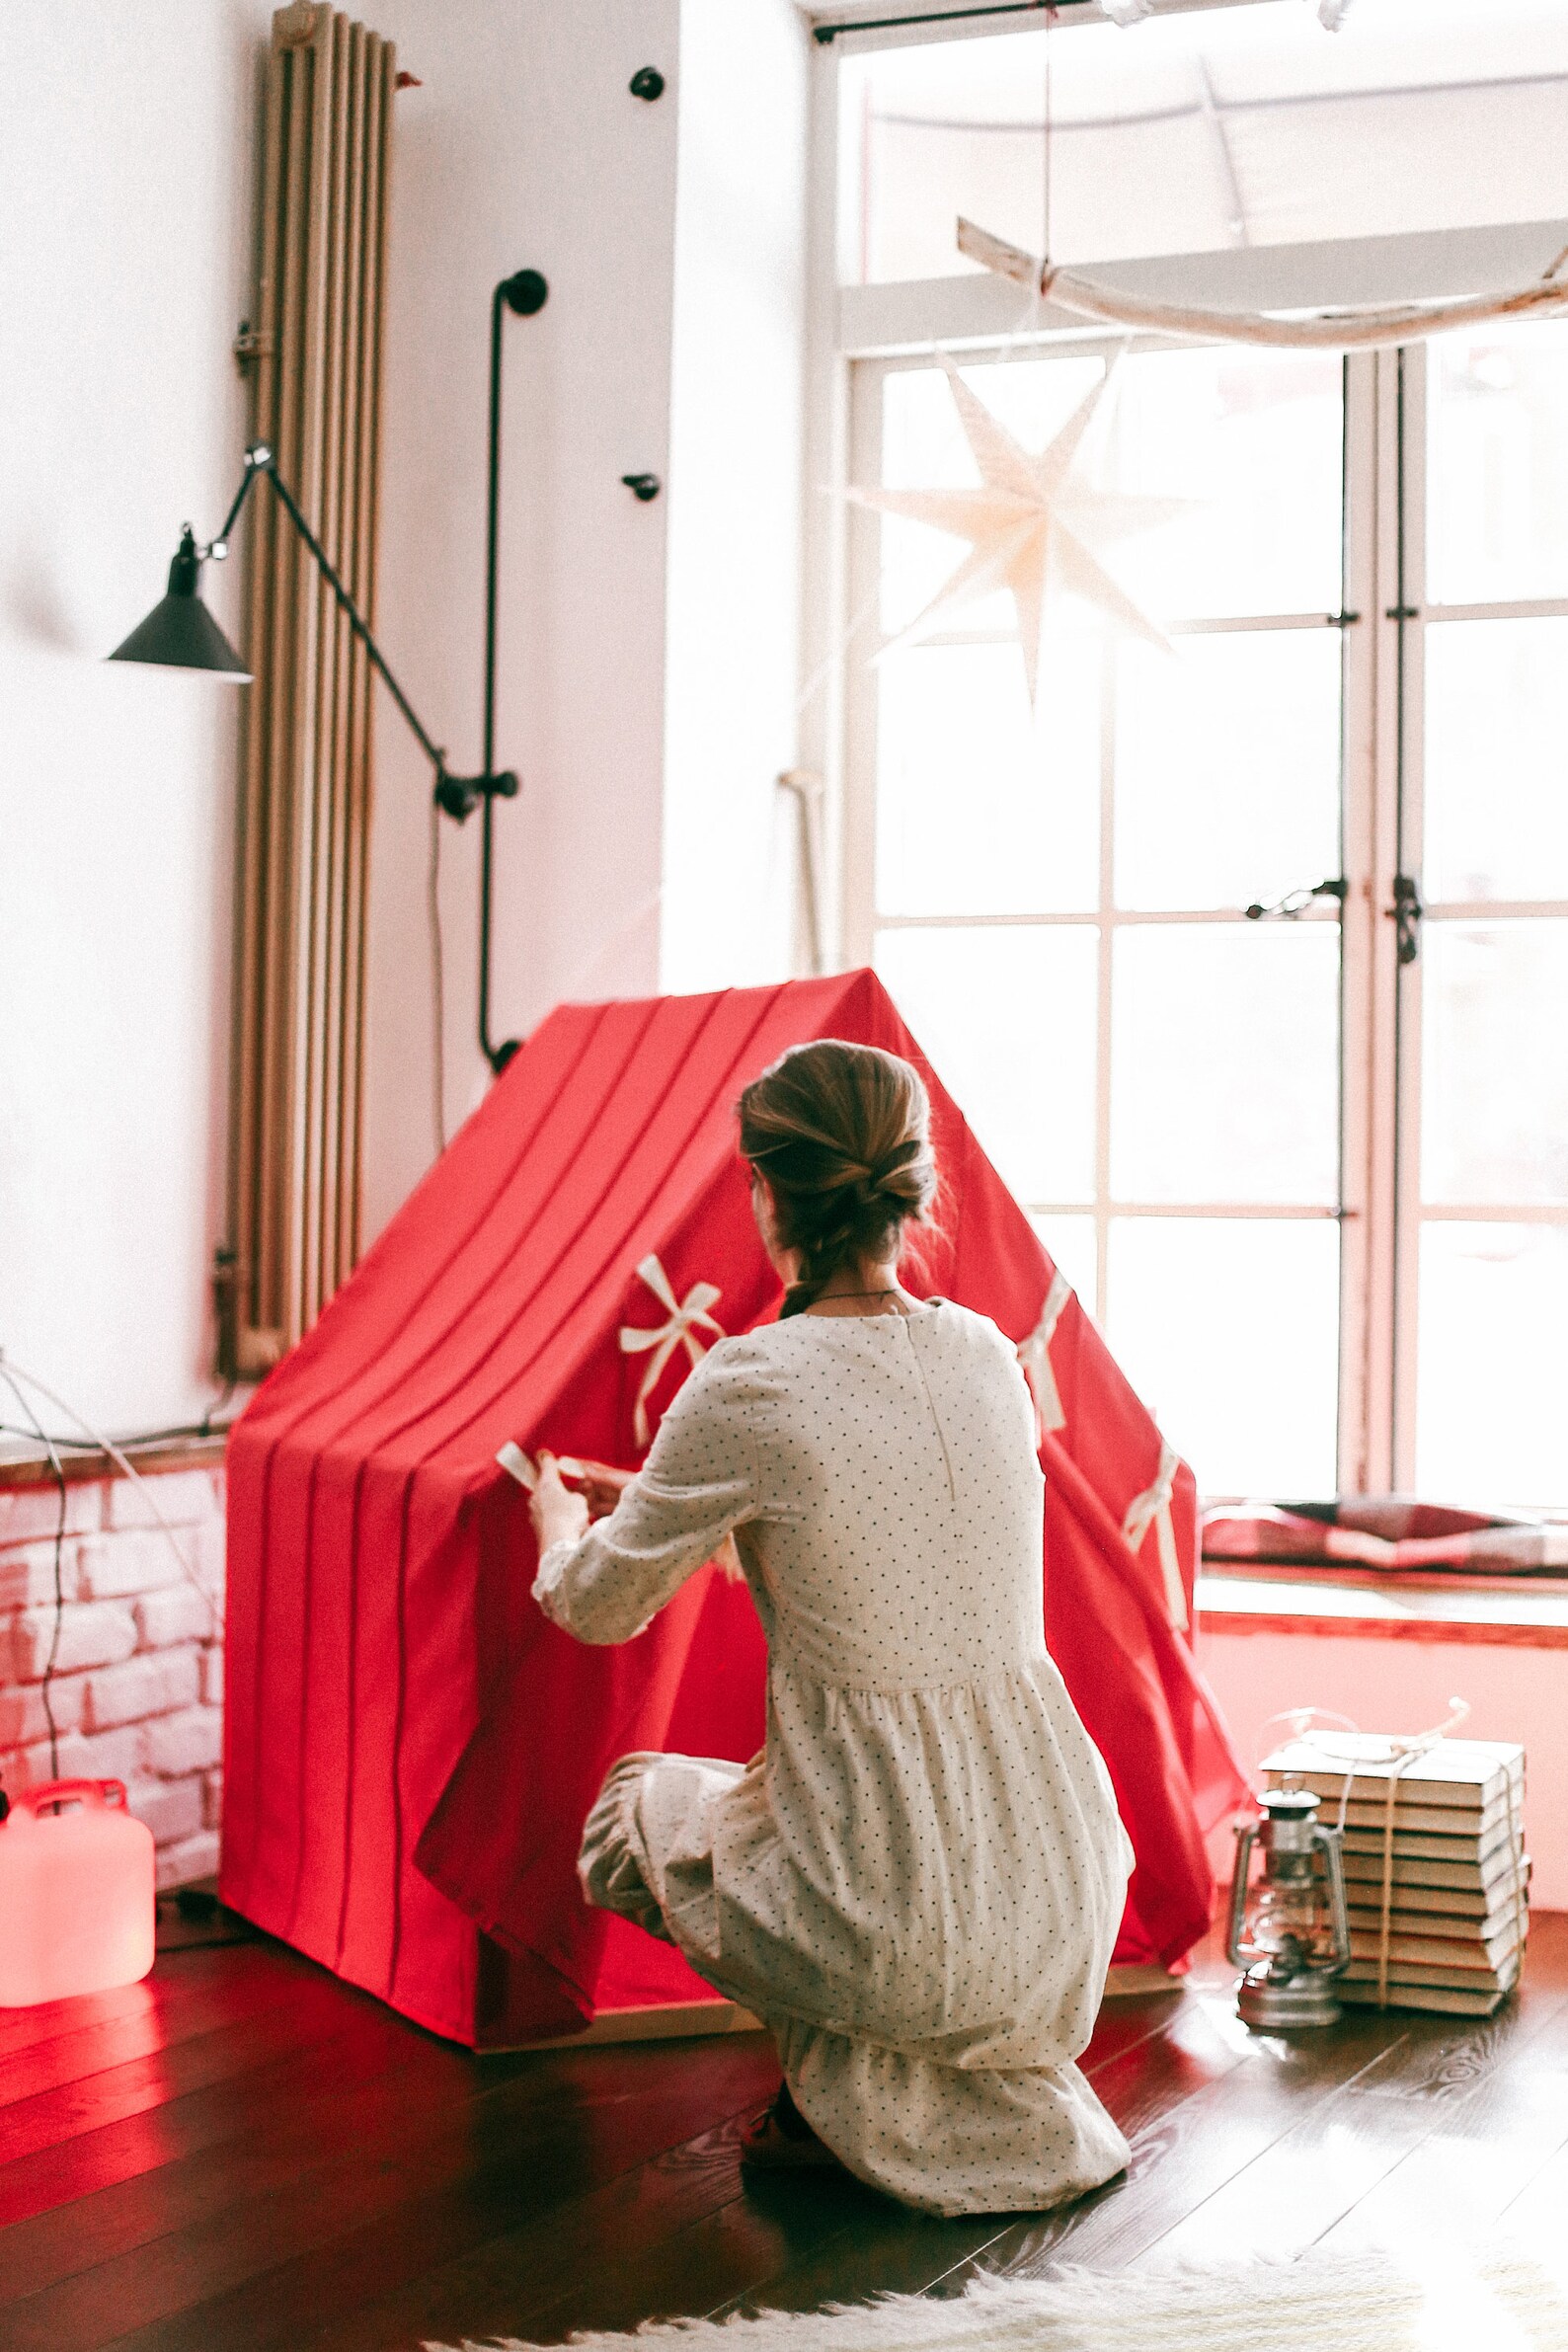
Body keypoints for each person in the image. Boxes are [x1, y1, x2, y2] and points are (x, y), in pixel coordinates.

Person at [528, 1039, 1133, 2217]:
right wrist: (670, 1508)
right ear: (911, 1182)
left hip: (894, 1911)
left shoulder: (752, 1380)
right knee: (847, 1866)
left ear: (764, 1194)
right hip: (1059, 1895)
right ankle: (894, 2087)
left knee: (633, 1815)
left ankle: (836, 2095)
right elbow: (873, 1546)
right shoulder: (984, 1355)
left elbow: (597, 1609)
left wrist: (561, 1525)